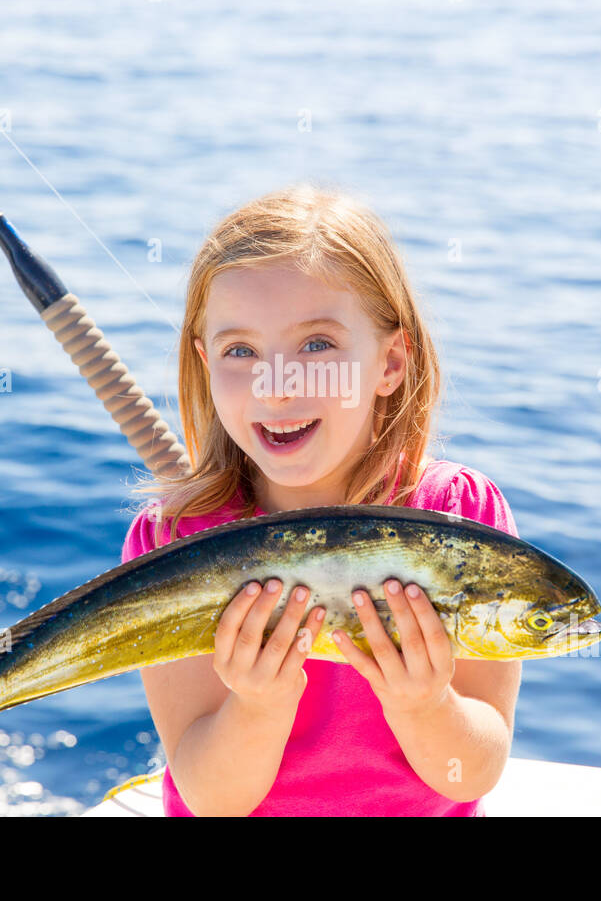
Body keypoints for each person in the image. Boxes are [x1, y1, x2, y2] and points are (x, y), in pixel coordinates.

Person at [120, 184, 521, 816]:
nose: (276, 387)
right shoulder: (172, 536)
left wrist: (424, 704)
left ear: (390, 361)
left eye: (316, 346)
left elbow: (470, 774)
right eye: (240, 351)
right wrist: (257, 705)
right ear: (203, 363)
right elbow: (211, 799)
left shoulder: (460, 517)